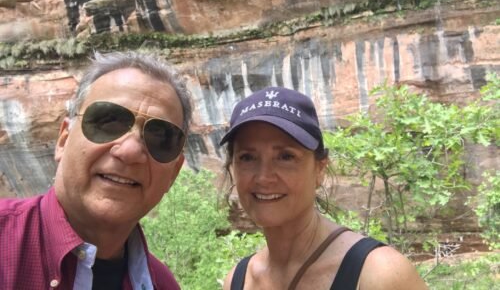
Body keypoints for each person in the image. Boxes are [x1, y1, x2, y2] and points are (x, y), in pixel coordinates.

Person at [0, 51, 192, 290]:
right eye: (108, 122)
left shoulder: (162, 285)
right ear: (63, 139)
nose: (130, 151)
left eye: (160, 138)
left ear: (173, 175)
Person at [219, 86, 428, 290]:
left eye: (286, 156)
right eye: (247, 157)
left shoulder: (379, 275)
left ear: (320, 169)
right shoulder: (238, 280)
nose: (264, 177)